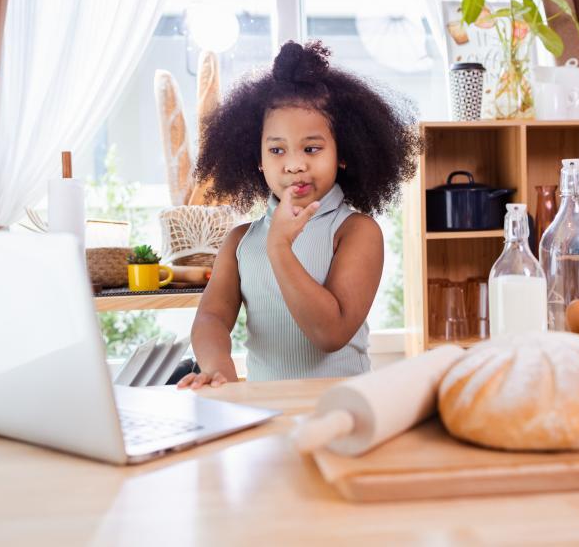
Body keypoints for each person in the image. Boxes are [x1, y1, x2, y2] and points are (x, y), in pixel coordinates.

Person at [177, 40, 421, 387]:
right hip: (264, 416)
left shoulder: (356, 232)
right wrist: (217, 367)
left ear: (343, 152)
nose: (294, 164)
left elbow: (330, 333)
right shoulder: (240, 241)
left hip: (343, 416)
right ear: (258, 160)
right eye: (277, 149)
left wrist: (279, 248)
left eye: (312, 148)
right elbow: (212, 317)